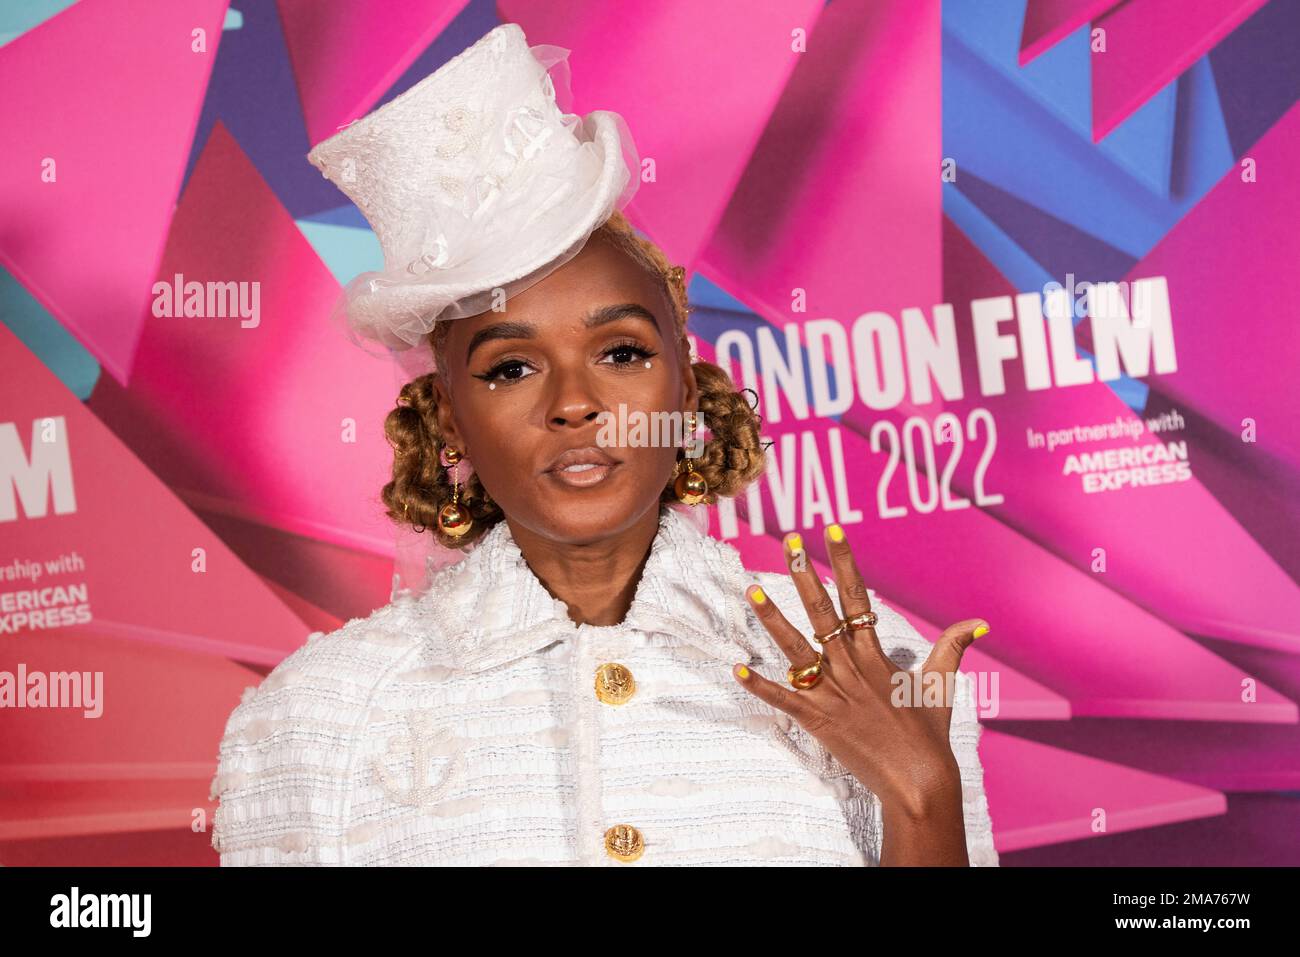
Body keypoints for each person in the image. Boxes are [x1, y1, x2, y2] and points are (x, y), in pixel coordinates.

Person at [209, 22, 997, 867]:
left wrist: (923, 799)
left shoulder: (876, 670)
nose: (577, 403)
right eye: (511, 367)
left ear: (685, 387)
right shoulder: (320, 719)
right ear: (446, 418)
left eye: (621, 352)